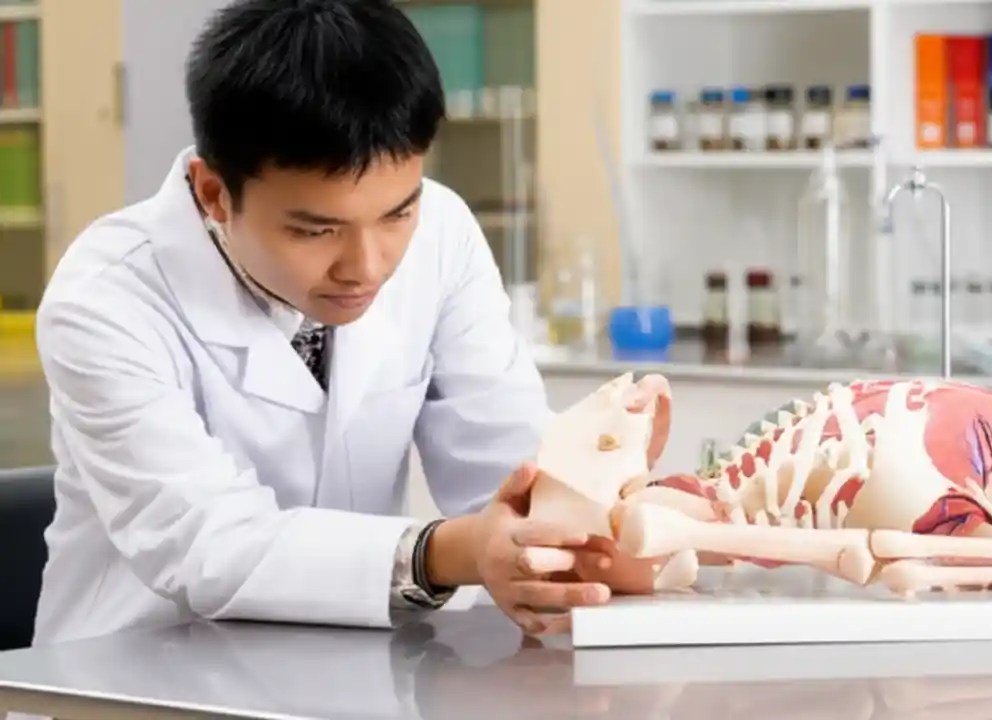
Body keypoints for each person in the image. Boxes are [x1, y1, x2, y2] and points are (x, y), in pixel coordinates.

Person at [32, 0, 650, 644]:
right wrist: (447, 553)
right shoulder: (106, 300)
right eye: (315, 230)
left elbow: (506, 463)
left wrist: (604, 494)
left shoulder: (441, 230)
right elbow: (204, 545)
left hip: (360, 669)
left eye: (396, 214)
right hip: (137, 672)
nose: (367, 266)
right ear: (214, 193)